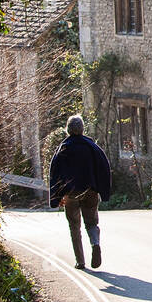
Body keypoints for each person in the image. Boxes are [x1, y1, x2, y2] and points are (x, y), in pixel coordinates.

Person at [48, 115, 112, 270]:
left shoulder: (63, 148)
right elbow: (104, 168)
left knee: (74, 226)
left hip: (70, 194)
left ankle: (80, 261)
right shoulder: (92, 147)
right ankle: (95, 243)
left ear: (68, 130)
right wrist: (103, 192)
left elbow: (55, 173)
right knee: (92, 223)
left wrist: (56, 198)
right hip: (90, 190)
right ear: (82, 129)